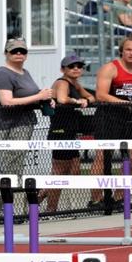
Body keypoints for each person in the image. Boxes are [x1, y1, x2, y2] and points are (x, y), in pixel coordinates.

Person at [92, 34, 132, 207]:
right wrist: (126, 103)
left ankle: (119, 196)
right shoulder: (110, 68)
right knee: (103, 157)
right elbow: (101, 95)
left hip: (127, 117)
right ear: (122, 51)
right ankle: (96, 199)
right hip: (107, 116)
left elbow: (130, 93)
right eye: (128, 49)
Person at [0, 39, 53, 180]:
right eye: (14, 51)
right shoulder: (2, 73)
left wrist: (45, 98)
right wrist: (39, 96)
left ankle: (9, 194)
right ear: (6, 53)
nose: (18, 53)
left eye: (22, 51)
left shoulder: (25, 72)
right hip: (4, 126)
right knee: (8, 168)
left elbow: (30, 94)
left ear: (26, 55)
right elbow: (7, 102)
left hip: (24, 123)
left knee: (15, 167)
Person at [43, 54, 93, 214]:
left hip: (70, 132)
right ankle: (50, 209)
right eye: (71, 66)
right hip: (60, 131)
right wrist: (76, 101)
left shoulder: (75, 83)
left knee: (74, 171)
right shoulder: (62, 82)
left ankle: (39, 195)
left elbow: (91, 96)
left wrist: (87, 100)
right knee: (59, 171)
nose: (76, 69)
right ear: (63, 69)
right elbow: (62, 99)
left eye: (79, 66)